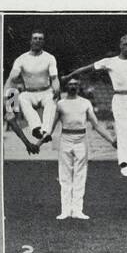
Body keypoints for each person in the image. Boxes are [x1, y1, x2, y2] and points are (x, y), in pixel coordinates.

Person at [65, 34, 127, 178]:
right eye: (125, 44)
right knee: (123, 132)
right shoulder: (110, 61)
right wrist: (69, 76)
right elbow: (88, 68)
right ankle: (124, 164)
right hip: (119, 98)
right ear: (120, 45)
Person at [48, 79, 115, 221]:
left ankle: (77, 210)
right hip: (65, 140)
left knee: (80, 175)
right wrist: (40, 141)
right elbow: (51, 126)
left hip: (81, 141)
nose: (73, 86)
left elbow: (96, 125)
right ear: (67, 86)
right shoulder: (60, 104)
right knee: (65, 176)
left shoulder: (85, 103)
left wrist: (112, 140)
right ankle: (65, 210)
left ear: (79, 87)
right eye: (70, 84)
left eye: (75, 84)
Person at [4, 31, 60, 143]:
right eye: (35, 38)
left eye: (40, 39)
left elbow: (54, 78)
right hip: (29, 93)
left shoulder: (50, 58)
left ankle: (46, 131)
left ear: (43, 42)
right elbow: (11, 80)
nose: (37, 41)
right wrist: (8, 105)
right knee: (21, 97)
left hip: (46, 91)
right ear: (30, 41)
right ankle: (35, 128)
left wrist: (57, 90)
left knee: (52, 100)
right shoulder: (21, 59)